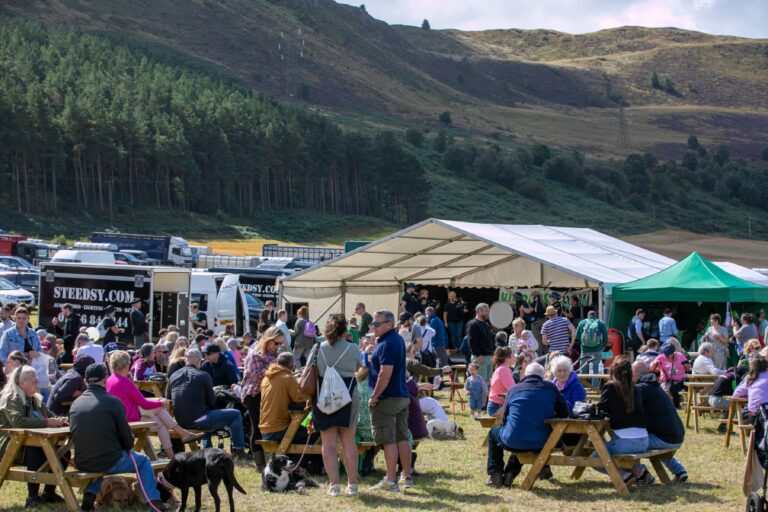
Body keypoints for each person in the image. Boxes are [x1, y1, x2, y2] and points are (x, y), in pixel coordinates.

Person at [70, 363, 167, 511]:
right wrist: (127, 448)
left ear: (85, 381)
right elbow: (126, 438)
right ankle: (153, 501)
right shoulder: (113, 402)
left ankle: (90, 493)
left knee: (100, 461)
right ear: (106, 380)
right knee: (143, 461)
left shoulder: (75, 404)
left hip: (83, 461)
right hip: (109, 459)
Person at [485, 362, 568, 488]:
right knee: (525, 432)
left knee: (496, 433)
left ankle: (495, 475)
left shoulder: (513, 389)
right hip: (543, 442)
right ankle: (510, 474)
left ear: (525, 375)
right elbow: (564, 412)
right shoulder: (551, 388)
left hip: (515, 440)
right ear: (542, 376)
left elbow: (504, 418)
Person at [106, 350, 202, 459]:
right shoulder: (125, 382)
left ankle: (179, 442)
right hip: (130, 419)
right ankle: (175, 449)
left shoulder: (110, 380)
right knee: (161, 422)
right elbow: (144, 403)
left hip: (122, 417)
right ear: (125, 365)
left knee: (160, 413)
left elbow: (138, 401)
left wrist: (158, 402)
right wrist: (160, 402)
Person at [308, 313, 361, 497]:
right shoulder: (353, 348)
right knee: (349, 441)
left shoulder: (317, 348)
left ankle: (334, 485)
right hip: (348, 396)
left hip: (323, 397)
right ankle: (352, 484)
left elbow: (308, 371)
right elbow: (358, 368)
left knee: (328, 444)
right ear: (344, 329)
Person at [0, 366, 68, 506]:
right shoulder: (12, 398)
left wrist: (68, 421)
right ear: (21, 382)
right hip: (11, 445)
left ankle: (49, 492)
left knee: (63, 453)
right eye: (34, 380)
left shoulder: (35, 399)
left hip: (31, 443)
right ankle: (32, 497)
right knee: (36, 450)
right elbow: (18, 421)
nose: (37, 382)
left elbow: (53, 417)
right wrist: (46, 422)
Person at [165, 348, 246, 459]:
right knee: (235, 414)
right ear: (199, 361)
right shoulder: (203, 375)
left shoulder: (173, 376)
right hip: (197, 420)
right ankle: (239, 451)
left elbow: (168, 399)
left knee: (202, 412)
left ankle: (207, 446)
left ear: (186, 360)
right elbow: (212, 402)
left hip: (179, 422)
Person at [368, 309, 412, 492]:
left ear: (389, 324)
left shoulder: (387, 343)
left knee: (388, 440)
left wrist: (375, 395)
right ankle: (406, 477)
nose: (373, 326)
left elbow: (385, 374)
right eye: (373, 323)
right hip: (401, 395)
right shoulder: (396, 339)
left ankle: (390, 480)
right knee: (402, 437)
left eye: (377, 324)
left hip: (387, 398)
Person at [595, 356, 652, 487]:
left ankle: (624, 476)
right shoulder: (636, 388)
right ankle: (640, 471)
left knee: (594, 458)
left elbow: (601, 410)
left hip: (626, 442)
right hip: (644, 440)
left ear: (613, 371)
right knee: (617, 455)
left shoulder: (610, 387)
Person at [632, 361, 688, 482]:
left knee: (631, 445)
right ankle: (679, 470)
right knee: (654, 440)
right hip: (676, 435)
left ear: (635, 374)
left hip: (665, 438)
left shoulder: (641, 388)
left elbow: (632, 412)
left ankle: (642, 474)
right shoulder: (654, 386)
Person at [240, 327, 283, 469]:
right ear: (268, 340)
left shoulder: (275, 355)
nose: (278, 347)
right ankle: (260, 464)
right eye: (276, 343)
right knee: (258, 427)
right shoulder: (255, 355)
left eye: (280, 344)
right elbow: (256, 376)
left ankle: (271, 460)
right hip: (254, 394)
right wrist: (276, 369)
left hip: (269, 394)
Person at [258, 353, 309, 443]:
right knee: (313, 433)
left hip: (265, 429)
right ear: (292, 365)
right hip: (279, 429)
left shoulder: (267, 378)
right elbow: (301, 399)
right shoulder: (288, 378)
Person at [650, 342, 687, 408]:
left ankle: (685, 403)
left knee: (687, 384)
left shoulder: (680, 356)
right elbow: (651, 369)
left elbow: (688, 367)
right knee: (674, 386)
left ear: (673, 352)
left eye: (668, 354)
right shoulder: (660, 357)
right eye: (665, 354)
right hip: (667, 380)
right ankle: (675, 405)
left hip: (681, 379)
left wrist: (686, 365)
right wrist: (655, 363)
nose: (666, 356)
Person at [575, 310, 607, 384]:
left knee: (583, 370)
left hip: (585, 350)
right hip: (597, 349)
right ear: (596, 316)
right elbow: (605, 336)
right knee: (596, 370)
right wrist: (601, 344)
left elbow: (577, 335)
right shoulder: (600, 323)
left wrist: (583, 343)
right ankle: (594, 389)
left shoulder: (582, 322)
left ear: (588, 316)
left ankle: (583, 389)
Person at [467, 303, 494, 381]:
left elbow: (490, 339)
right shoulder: (473, 324)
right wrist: (478, 355)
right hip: (480, 357)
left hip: (488, 357)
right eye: (486, 311)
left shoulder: (486, 324)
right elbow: (471, 342)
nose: (488, 313)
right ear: (479, 311)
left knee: (488, 381)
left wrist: (492, 353)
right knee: (481, 381)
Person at [487, 347, 515, 417]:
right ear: (507, 358)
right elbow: (513, 389)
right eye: (513, 355)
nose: (515, 357)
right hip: (496, 407)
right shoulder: (503, 370)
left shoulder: (503, 368)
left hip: (497, 405)